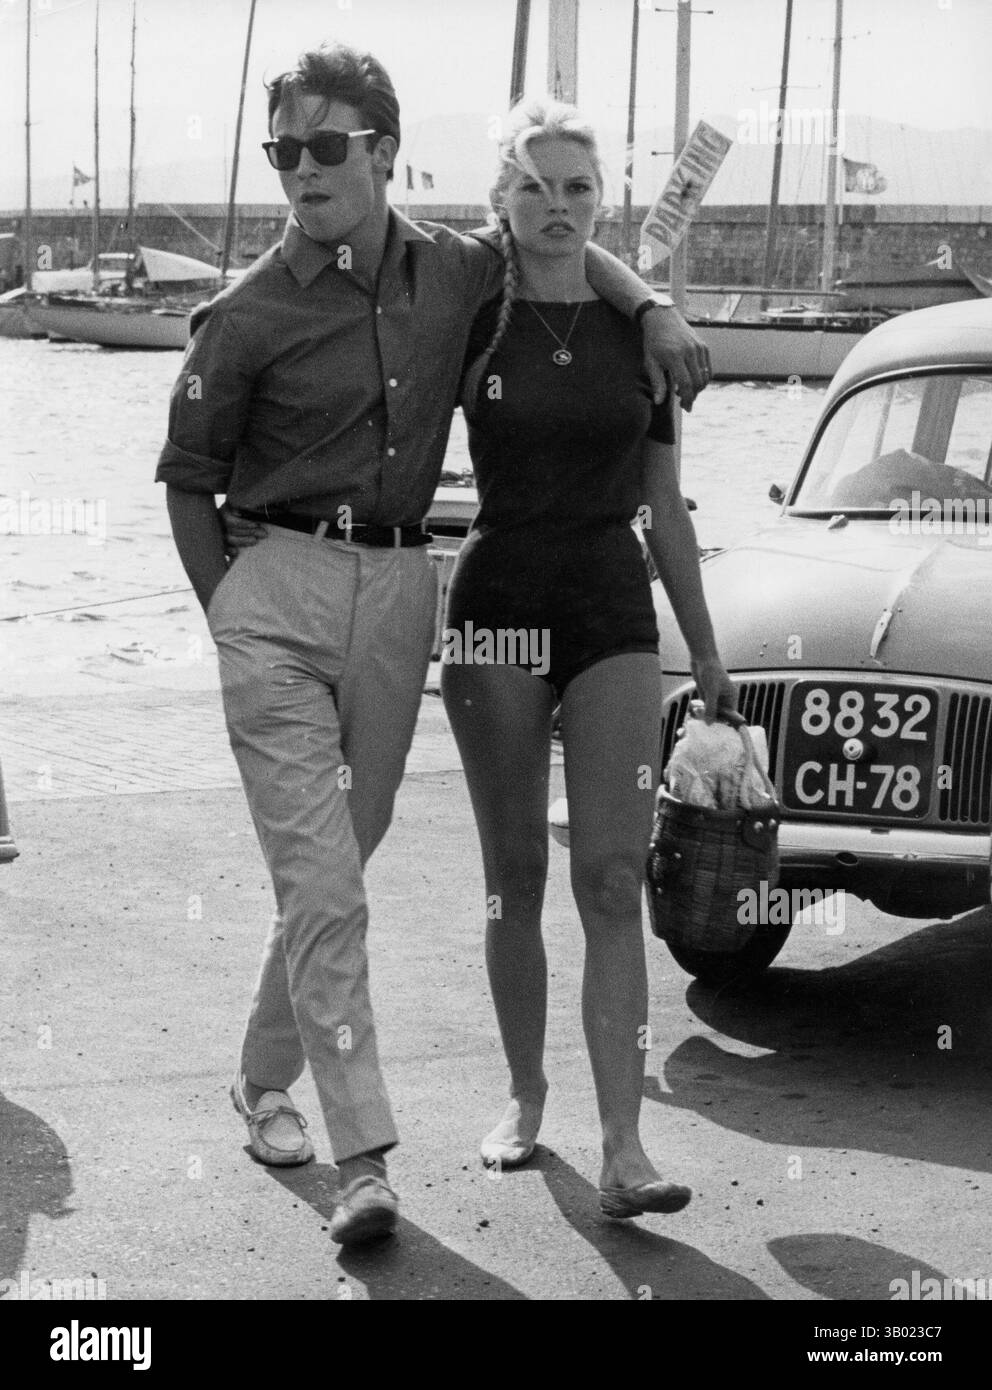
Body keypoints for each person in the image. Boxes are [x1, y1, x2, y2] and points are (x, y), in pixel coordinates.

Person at [158, 41, 711, 1248]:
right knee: (334, 884)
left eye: (325, 146)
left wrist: (651, 299)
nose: (299, 168)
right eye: (283, 150)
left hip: (408, 586)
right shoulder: (245, 312)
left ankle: (263, 1078)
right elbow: (189, 480)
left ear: (384, 156)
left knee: (344, 856)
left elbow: (558, 242)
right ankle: (367, 1158)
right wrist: (233, 617)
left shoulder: (455, 271)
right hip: (293, 593)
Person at [440, 98, 737, 1220]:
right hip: (497, 608)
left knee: (613, 879)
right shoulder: (470, 318)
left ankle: (624, 1145)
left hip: (611, 606)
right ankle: (524, 1097)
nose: (555, 206)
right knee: (513, 876)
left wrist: (704, 647)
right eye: (532, 186)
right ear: (499, 203)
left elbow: (664, 510)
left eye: (577, 188)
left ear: (601, 200)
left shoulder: (644, 337)